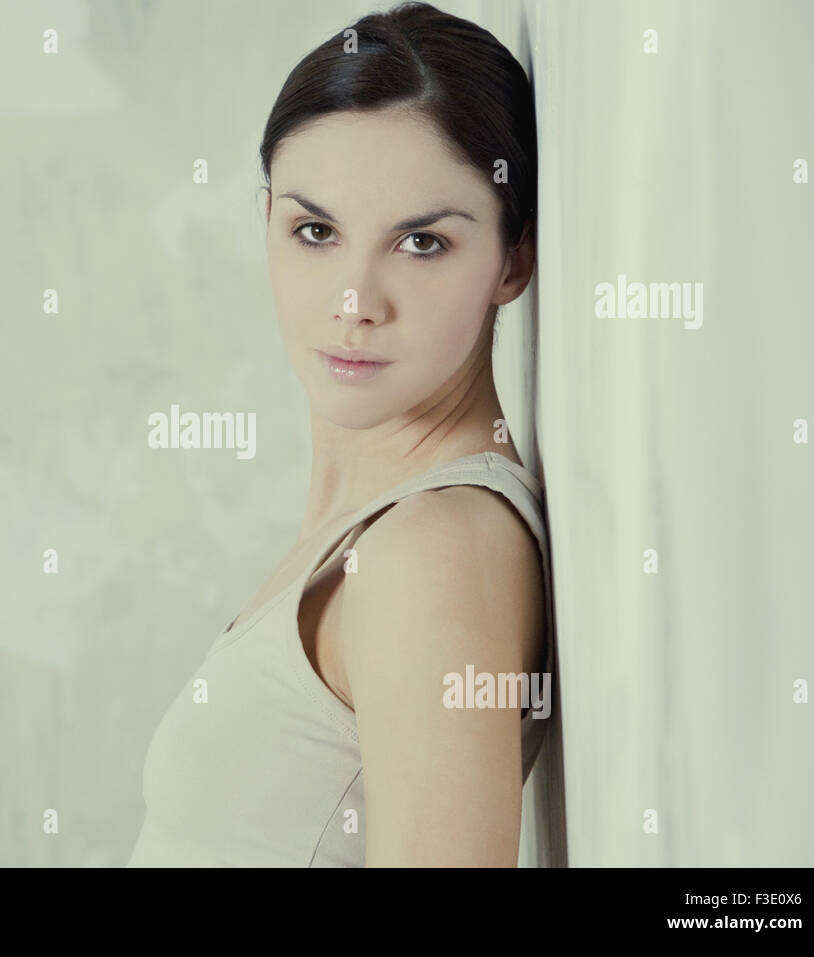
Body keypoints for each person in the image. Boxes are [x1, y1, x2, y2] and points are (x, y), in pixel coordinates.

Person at [128, 0, 565, 867]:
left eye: (422, 243)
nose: (354, 300)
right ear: (267, 225)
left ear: (514, 260)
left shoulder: (432, 551)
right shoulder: (378, 525)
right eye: (316, 230)